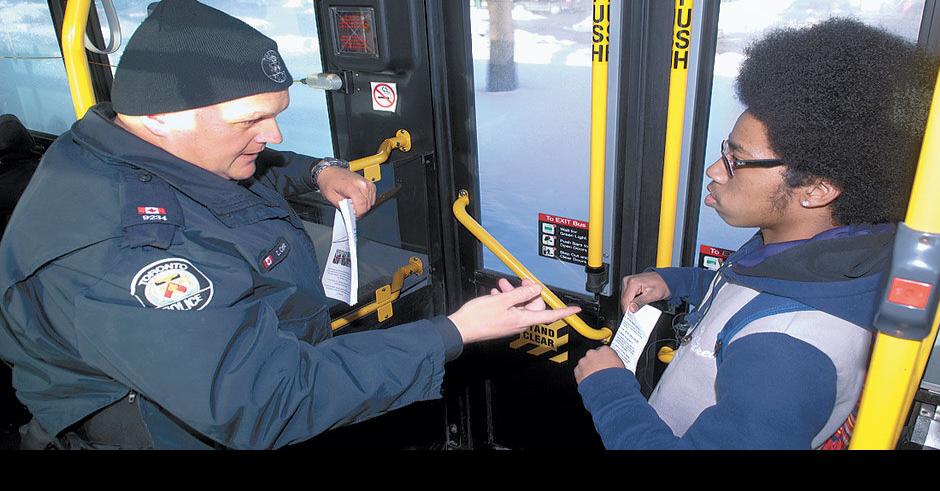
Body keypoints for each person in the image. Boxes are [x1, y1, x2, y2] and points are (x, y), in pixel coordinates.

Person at [0, 0, 579, 450]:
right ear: (159, 117)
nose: (274, 136)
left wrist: (320, 172)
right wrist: (453, 333)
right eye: (251, 119)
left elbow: (235, 182)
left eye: (276, 115)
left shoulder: (142, 147)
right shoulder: (126, 252)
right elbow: (264, 402)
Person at [573, 18, 938, 449]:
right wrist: (676, 282)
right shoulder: (817, 253)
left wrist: (610, 390)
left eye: (736, 160)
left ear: (817, 189)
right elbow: (751, 288)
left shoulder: (786, 353)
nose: (714, 170)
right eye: (723, 150)